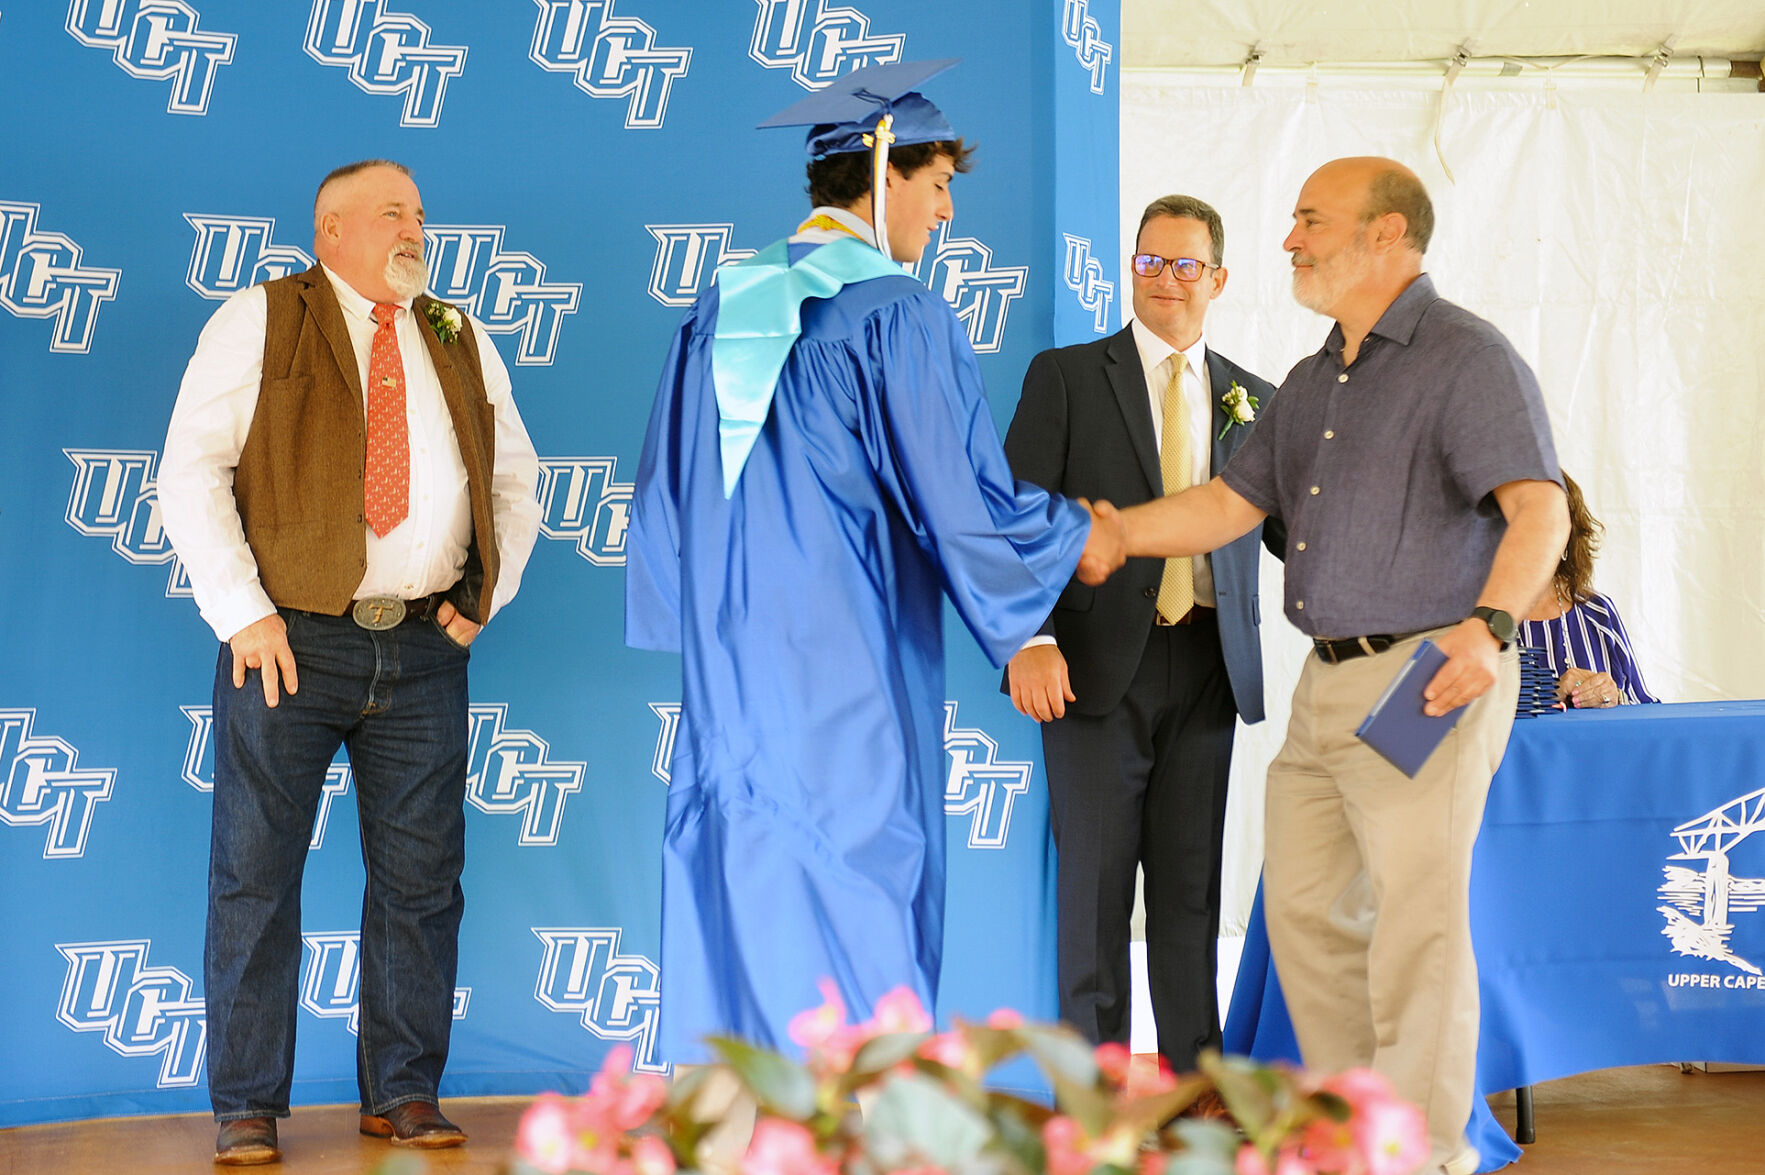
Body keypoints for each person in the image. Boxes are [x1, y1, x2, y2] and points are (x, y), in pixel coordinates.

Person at [1078, 157, 1568, 1175]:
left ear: (1385, 235)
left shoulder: (1467, 357)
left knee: (1416, 927)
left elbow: (1541, 507)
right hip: (1322, 685)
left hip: (1424, 675)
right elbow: (1227, 505)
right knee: (1304, 915)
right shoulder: (1310, 379)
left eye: (1310, 220)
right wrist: (1120, 530)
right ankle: (1361, 1132)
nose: (1290, 238)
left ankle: (1424, 1149)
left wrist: (1485, 627)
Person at [624, 59, 1116, 1065]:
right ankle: (859, 1105)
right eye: (937, 187)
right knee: (859, 864)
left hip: (732, 664)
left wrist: (703, 617)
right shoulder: (893, 311)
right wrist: (1067, 544)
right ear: (882, 171)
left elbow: (663, 498)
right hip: (845, 658)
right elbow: (958, 495)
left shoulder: (725, 308)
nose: (944, 215)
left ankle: (743, 1107)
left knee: (747, 857)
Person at [159, 160, 541, 1165]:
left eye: (418, 211)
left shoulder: (456, 331)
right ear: (328, 232)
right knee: (255, 877)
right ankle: (246, 1102)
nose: (413, 227)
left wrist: (480, 600)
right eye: (389, 213)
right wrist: (244, 614)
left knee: (423, 880)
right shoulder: (260, 318)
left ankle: (404, 1091)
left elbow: (514, 475)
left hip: (424, 645)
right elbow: (190, 468)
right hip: (290, 641)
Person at [1001, 194, 1282, 1072]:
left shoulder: (1258, 399)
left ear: (1219, 278)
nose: (1164, 279)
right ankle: (1091, 1103)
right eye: (1149, 261)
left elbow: (1291, 534)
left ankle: (1190, 1091)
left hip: (1209, 667)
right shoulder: (1067, 376)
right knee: (1091, 897)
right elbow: (1015, 518)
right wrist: (1028, 639)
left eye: (1184, 264)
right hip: (1087, 668)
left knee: (1190, 896)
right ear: (1131, 268)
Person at [1518, 472, 1659, 708]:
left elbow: (1643, 707)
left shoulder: (1598, 611)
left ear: (1569, 536)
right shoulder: (1473, 619)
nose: (1536, 536)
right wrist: (1548, 694)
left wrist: (1613, 696)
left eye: (1550, 522)